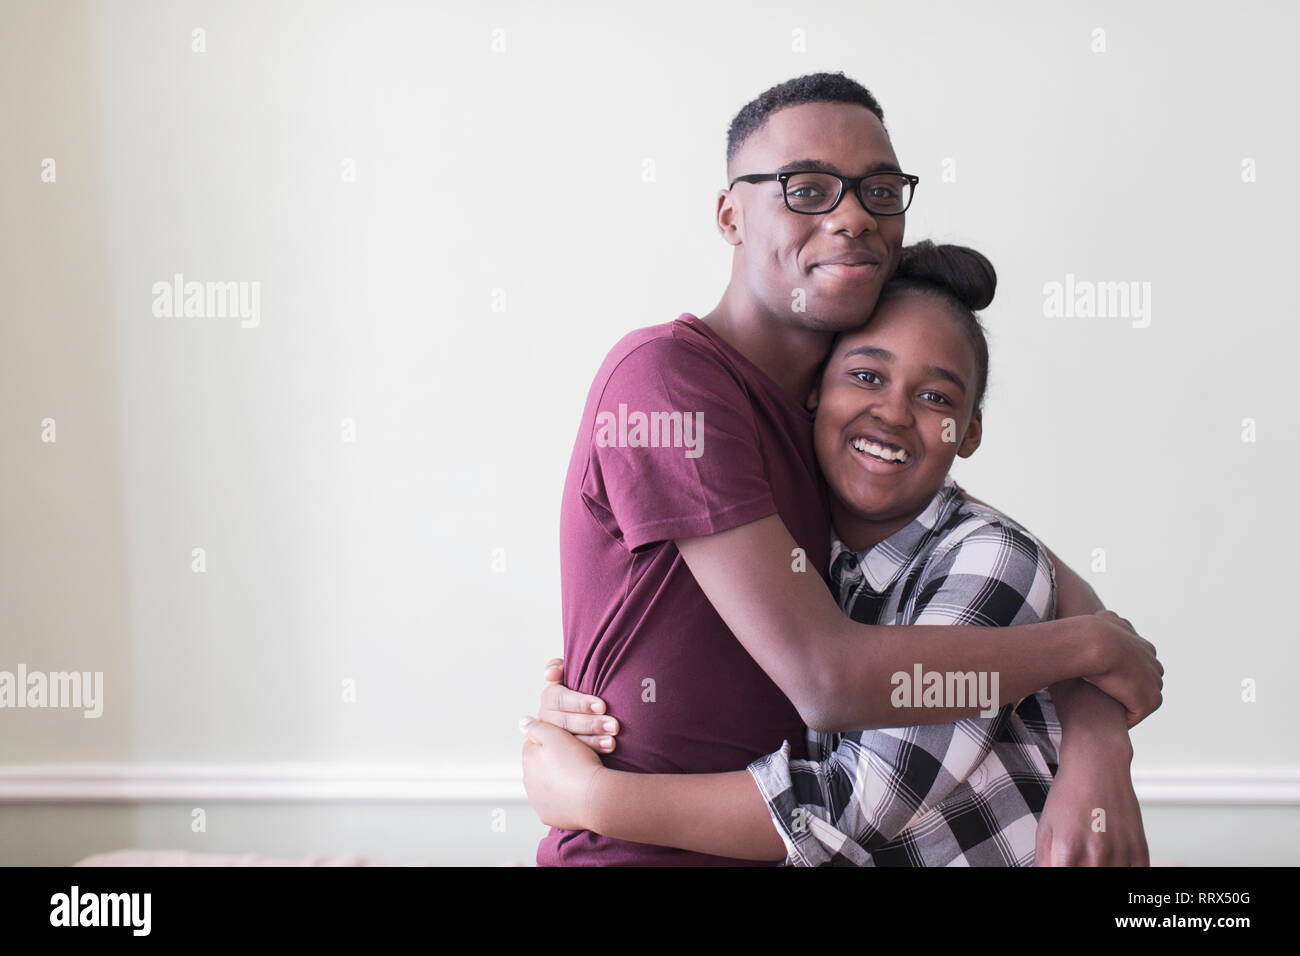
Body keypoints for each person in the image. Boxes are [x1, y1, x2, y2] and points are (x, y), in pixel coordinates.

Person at [531, 72, 1160, 867]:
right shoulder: (669, 381)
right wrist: (1085, 652)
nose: (854, 213)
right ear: (730, 213)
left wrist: (1098, 744)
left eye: (880, 190)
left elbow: (1022, 565)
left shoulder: (828, 425)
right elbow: (828, 679)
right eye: (808, 188)